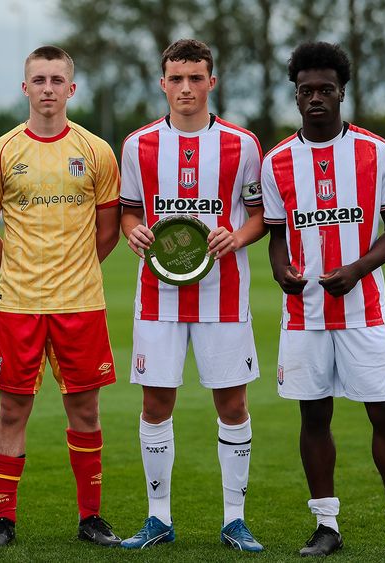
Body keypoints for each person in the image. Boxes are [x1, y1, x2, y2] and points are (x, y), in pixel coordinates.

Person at [261, 41, 385, 560]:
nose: (317, 98)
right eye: (307, 91)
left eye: (326, 89)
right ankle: (326, 527)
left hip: (364, 310)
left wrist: (357, 269)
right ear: (296, 96)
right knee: (314, 418)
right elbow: (277, 235)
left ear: (342, 92)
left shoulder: (375, 151)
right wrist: (281, 270)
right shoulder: (278, 161)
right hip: (304, 314)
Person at [118, 39, 266, 552]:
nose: (186, 88)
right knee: (156, 402)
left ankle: (234, 520)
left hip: (223, 296)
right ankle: (158, 518)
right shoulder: (138, 145)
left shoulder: (243, 144)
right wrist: (133, 232)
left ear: (212, 82)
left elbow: (258, 216)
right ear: (162, 83)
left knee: (232, 402)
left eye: (195, 78)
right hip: (158, 296)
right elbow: (129, 212)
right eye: (176, 78)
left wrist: (237, 237)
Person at [0, 45, 122, 547]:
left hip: (81, 304)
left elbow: (108, 230)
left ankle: (91, 518)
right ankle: (3, 521)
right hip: (18, 305)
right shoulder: (0, 152)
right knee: (12, 411)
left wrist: (72, 270)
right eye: (39, 80)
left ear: (72, 89)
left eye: (57, 80)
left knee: (85, 411)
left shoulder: (97, 150)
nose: (48, 89)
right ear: (25, 87)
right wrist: (16, 269)